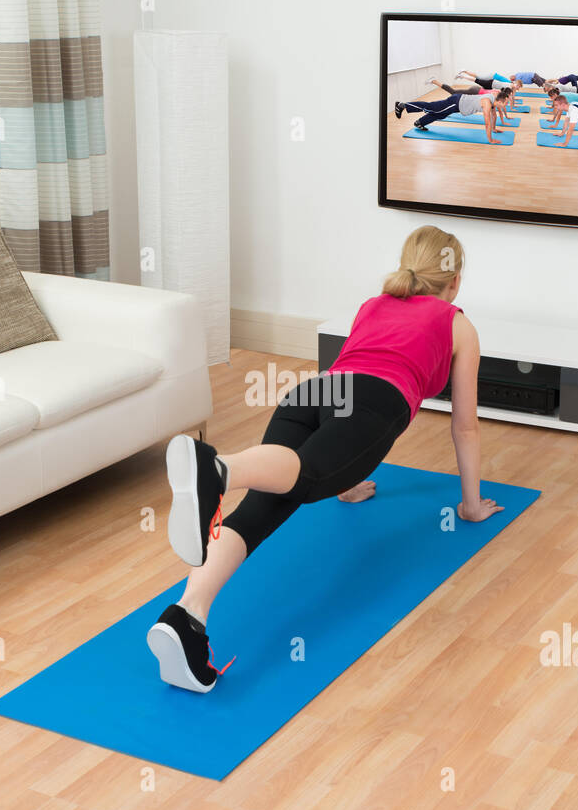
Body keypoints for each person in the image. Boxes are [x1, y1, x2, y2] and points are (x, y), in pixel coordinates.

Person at [148, 226, 505, 693]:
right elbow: (465, 426)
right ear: (454, 281)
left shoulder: (372, 306)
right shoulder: (459, 324)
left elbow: (341, 396)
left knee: (261, 507)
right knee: (305, 479)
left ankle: (187, 615)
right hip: (375, 403)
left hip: (312, 394)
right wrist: (470, 505)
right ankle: (219, 469)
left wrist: (348, 480)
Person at [394, 87, 514, 142]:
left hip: (458, 104)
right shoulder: (487, 103)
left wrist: (494, 129)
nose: (505, 106)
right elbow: (487, 122)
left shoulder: (494, 100)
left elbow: (494, 116)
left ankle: (419, 123)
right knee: (432, 108)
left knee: (440, 115)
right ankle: (402, 106)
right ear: (500, 102)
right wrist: (490, 139)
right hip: (456, 103)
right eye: (505, 104)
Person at [426, 79, 517, 124]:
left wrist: (506, 117)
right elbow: (499, 112)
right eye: (509, 97)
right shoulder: (498, 97)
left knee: (454, 101)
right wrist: (504, 120)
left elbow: (499, 111)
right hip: (475, 91)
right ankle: (434, 81)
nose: (509, 99)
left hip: (477, 91)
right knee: (453, 92)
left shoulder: (500, 94)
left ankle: (435, 109)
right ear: (506, 95)